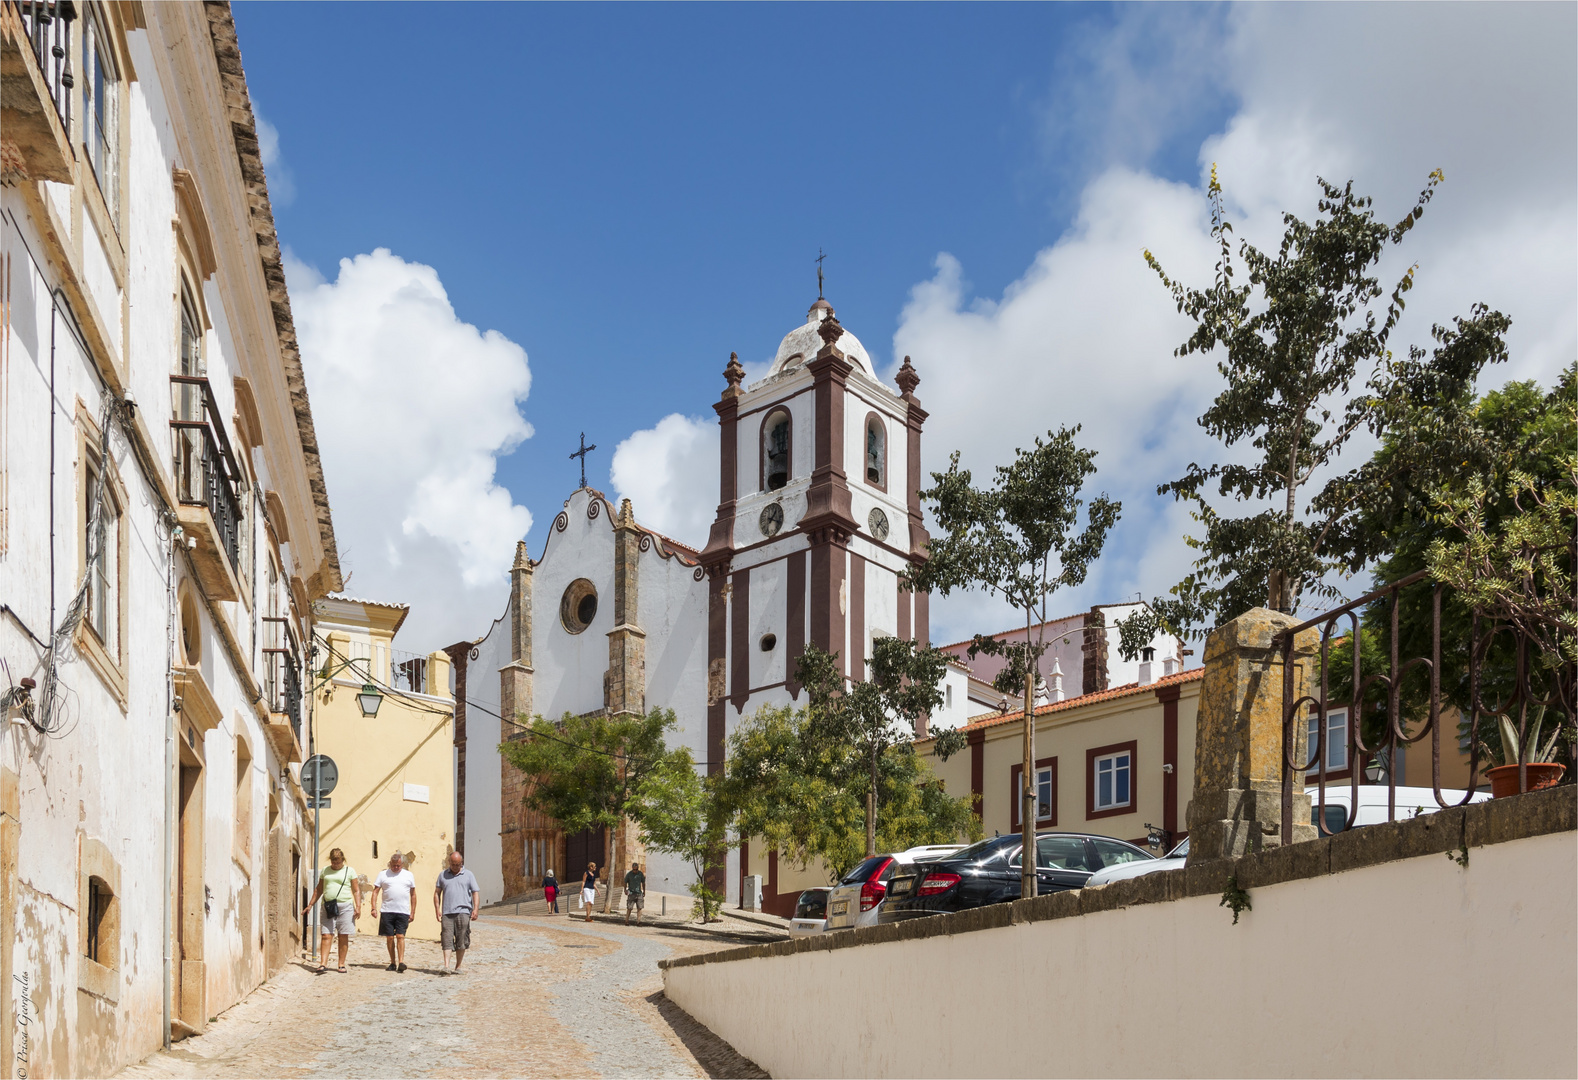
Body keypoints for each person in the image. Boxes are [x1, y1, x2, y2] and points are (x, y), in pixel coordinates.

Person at [302, 848, 361, 974]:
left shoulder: (350, 871)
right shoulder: (325, 871)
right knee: (326, 934)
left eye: (338, 862)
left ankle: (341, 964)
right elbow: (319, 889)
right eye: (334, 862)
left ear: (342, 860)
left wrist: (358, 906)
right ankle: (323, 964)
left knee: (343, 935)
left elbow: (356, 890)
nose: (335, 865)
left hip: (345, 906)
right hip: (328, 906)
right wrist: (310, 904)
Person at [434, 850, 480, 974]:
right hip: (447, 912)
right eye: (453, 864)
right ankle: (446, 966)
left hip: (463, 911)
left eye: (458, 864)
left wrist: (475, 909)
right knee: (446, 938)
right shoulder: (442, 875)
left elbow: (475, 892)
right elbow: (437, 893)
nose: (455, 866)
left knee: (462, 939)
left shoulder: (469, 875)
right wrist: (437, 909)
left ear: (461, 863)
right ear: (449, 862)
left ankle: (458, 966)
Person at [371, 851, 417, 972]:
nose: (396, 868)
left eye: (398, 865)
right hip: (387, 910)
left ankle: (401, 961)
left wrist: (413, 912)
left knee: (400, 936)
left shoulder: (408, 875)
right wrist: (373, 908)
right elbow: (375, 891)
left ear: (402, 864)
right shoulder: (383, 874)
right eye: (393, 865)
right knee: (390, 937)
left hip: (403, 911)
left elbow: (413, 894)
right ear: (390, 864)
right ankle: (392, 962)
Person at [623, 861, 646, 925]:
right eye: (634, 869)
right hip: (631, 893)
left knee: (640, 907)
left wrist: (644, 891)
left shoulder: (640, 874)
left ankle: (638, 921)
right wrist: (625, 890)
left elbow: (643, 883)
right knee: (629, 908)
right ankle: (626, 921)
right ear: (632, 868)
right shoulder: (629, 874)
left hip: (639, 893)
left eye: (636, 869)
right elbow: (625, 882)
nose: (635, 870)